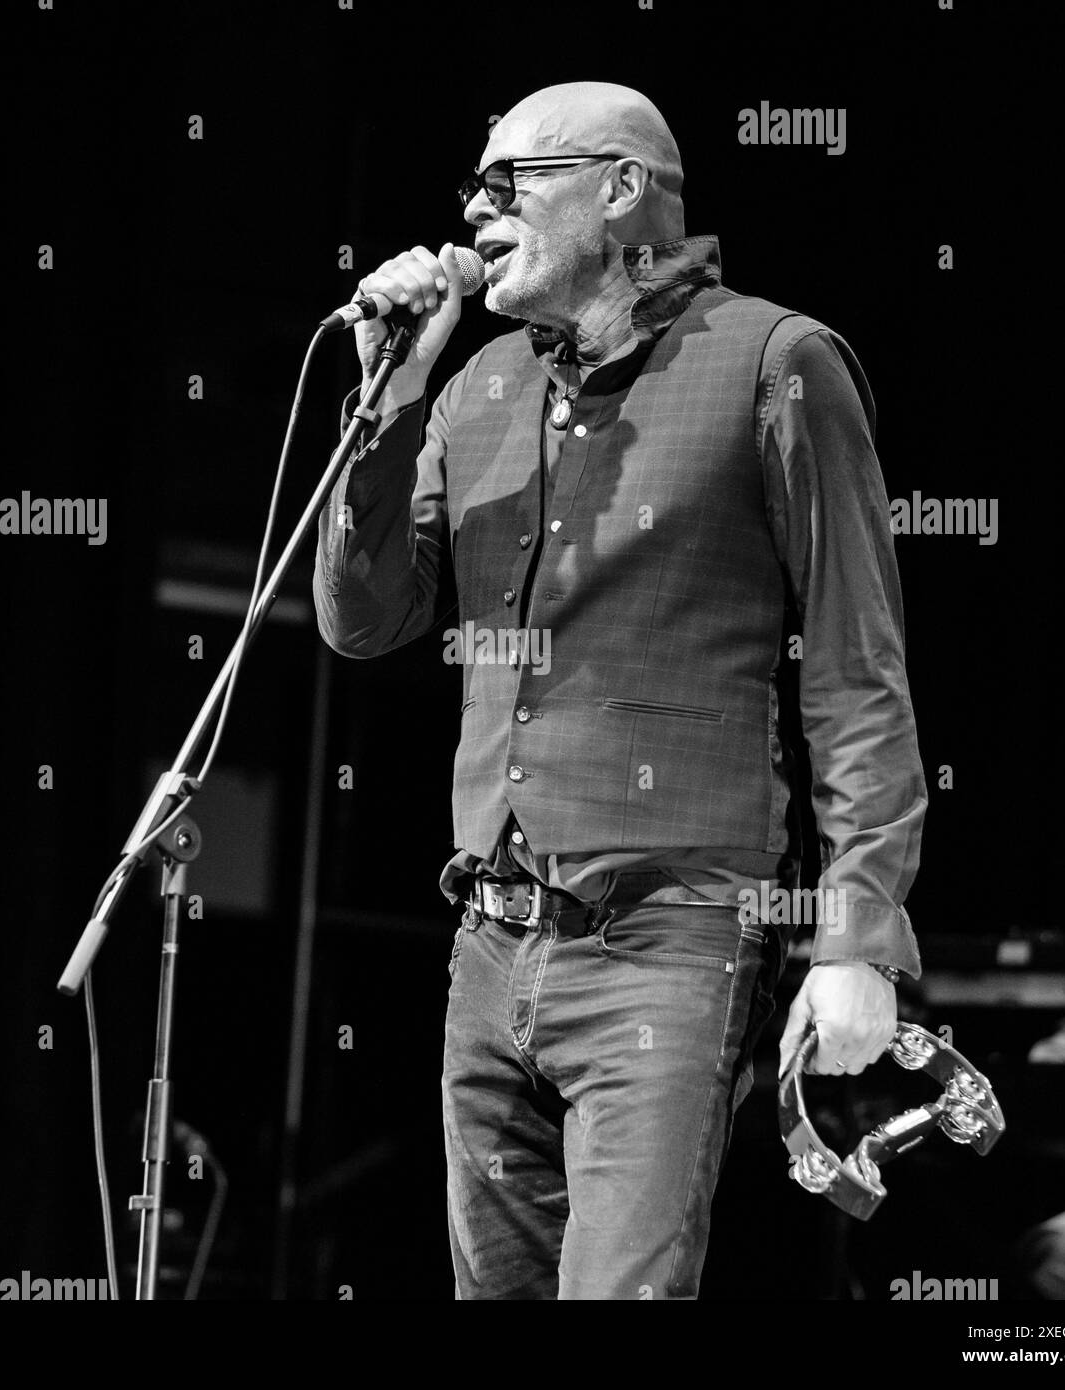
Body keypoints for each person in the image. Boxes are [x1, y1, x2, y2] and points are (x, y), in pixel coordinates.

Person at [313, 81, 927, 1299]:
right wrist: (386, 399)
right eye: (473, 186)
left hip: (670, 945)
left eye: (510, 180)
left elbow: (858, 668)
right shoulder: (479, 388)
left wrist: (856, 933)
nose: (478, 208)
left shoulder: (776, 360)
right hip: (488, 949)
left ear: (619, 189)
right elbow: (363, 617)